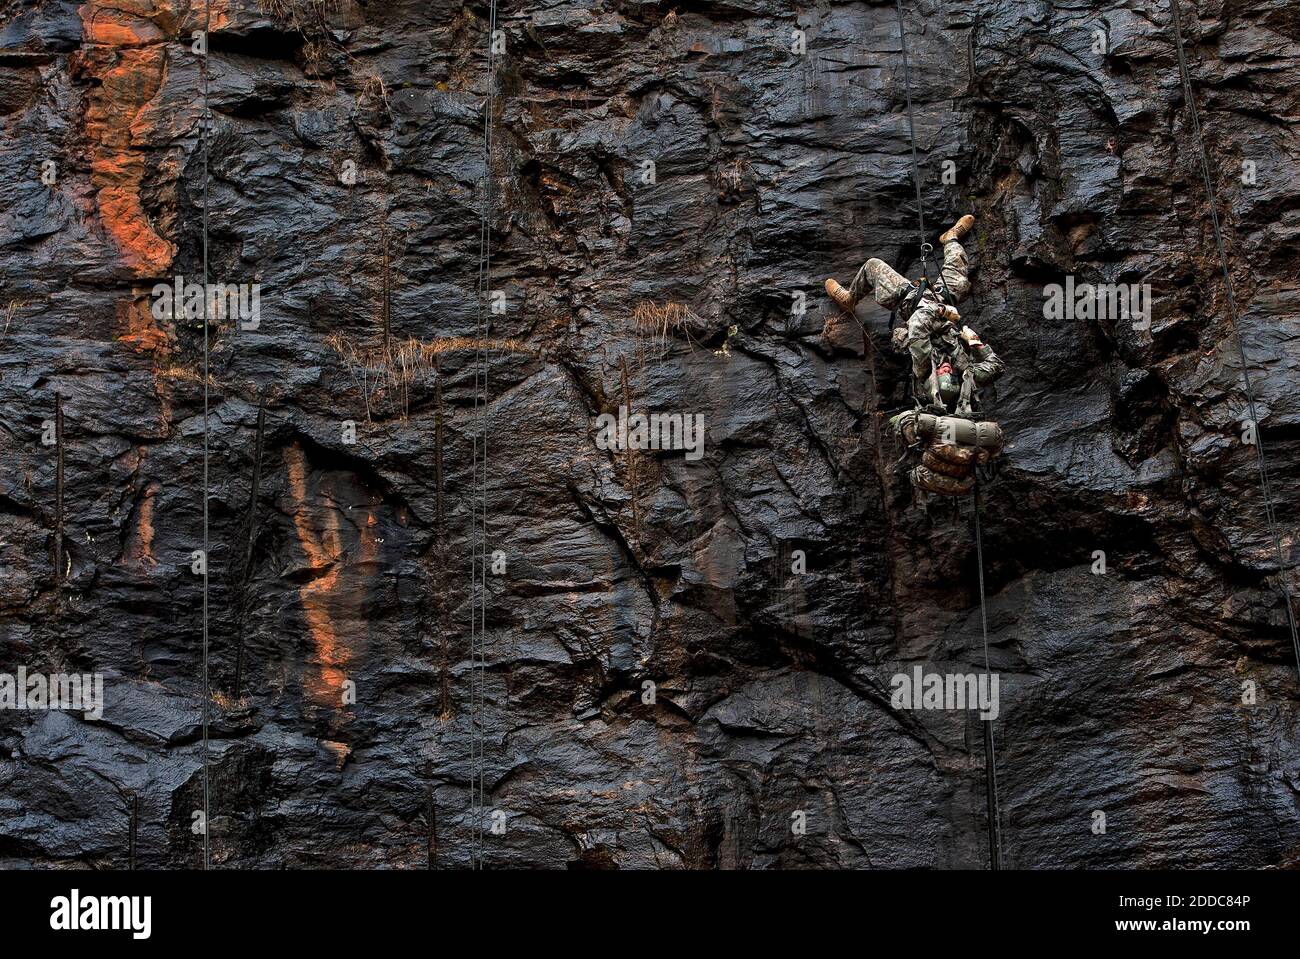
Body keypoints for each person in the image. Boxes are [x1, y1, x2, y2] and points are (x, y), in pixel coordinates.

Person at [825, 215, 1004, 418]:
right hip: (943, 304)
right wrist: (976, 343)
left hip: (912, 304)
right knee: (959, 277)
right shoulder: (966, 375)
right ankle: (950, 237)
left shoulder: (924, 364)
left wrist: (942, 312)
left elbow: (919, 323)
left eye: (943, 372)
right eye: (951, 373)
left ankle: (849, 298)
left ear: (934, 378)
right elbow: (996, 367)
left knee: (873, 266)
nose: (947, 368)